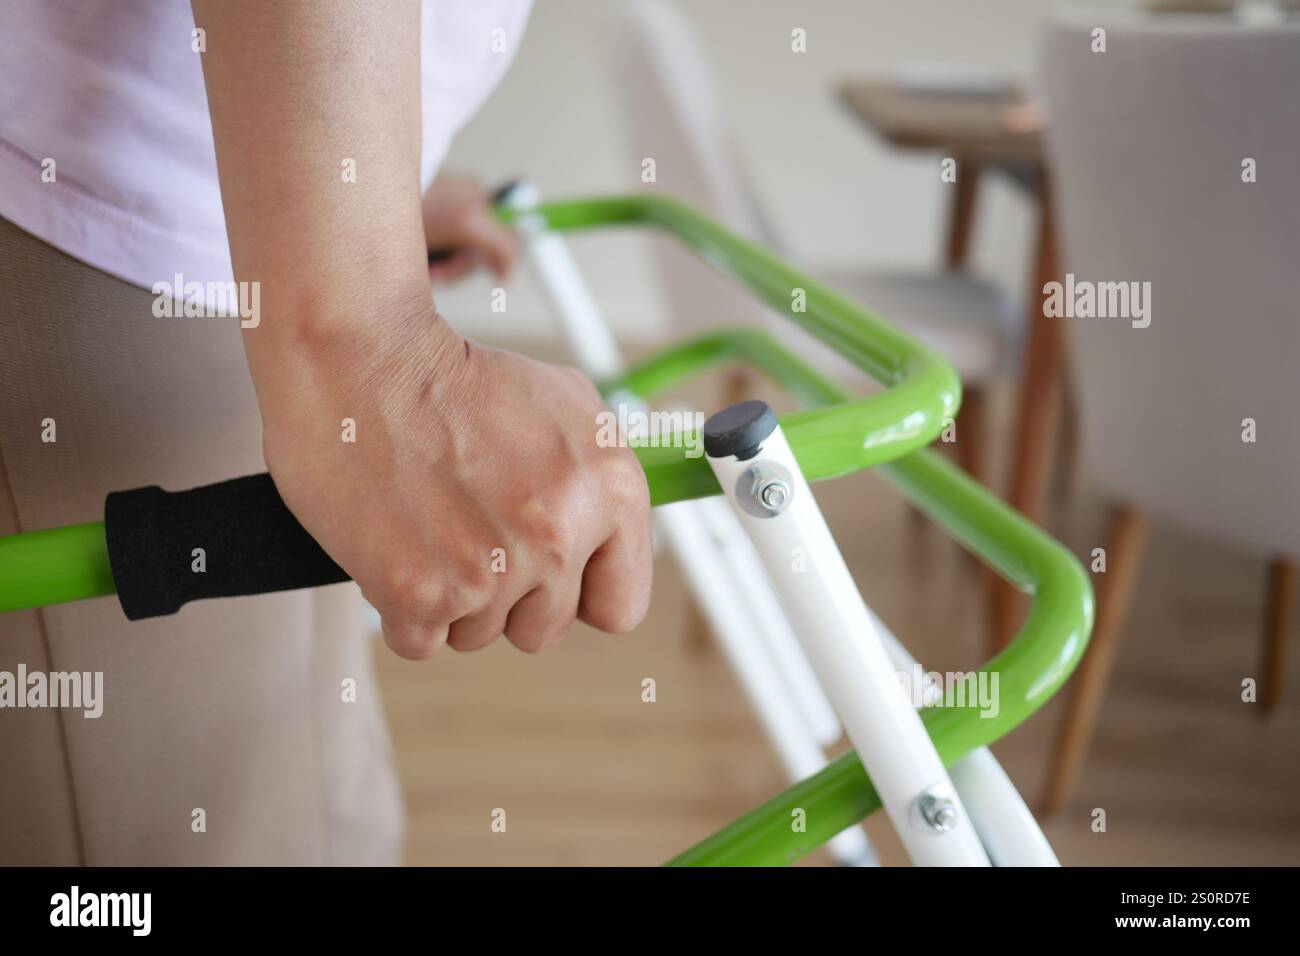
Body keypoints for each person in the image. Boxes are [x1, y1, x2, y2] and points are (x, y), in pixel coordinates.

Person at [0, 0, 652, 865]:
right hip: (108, 239)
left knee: (327, 817)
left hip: (234, 242)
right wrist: (370, 331)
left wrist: (370, 203)